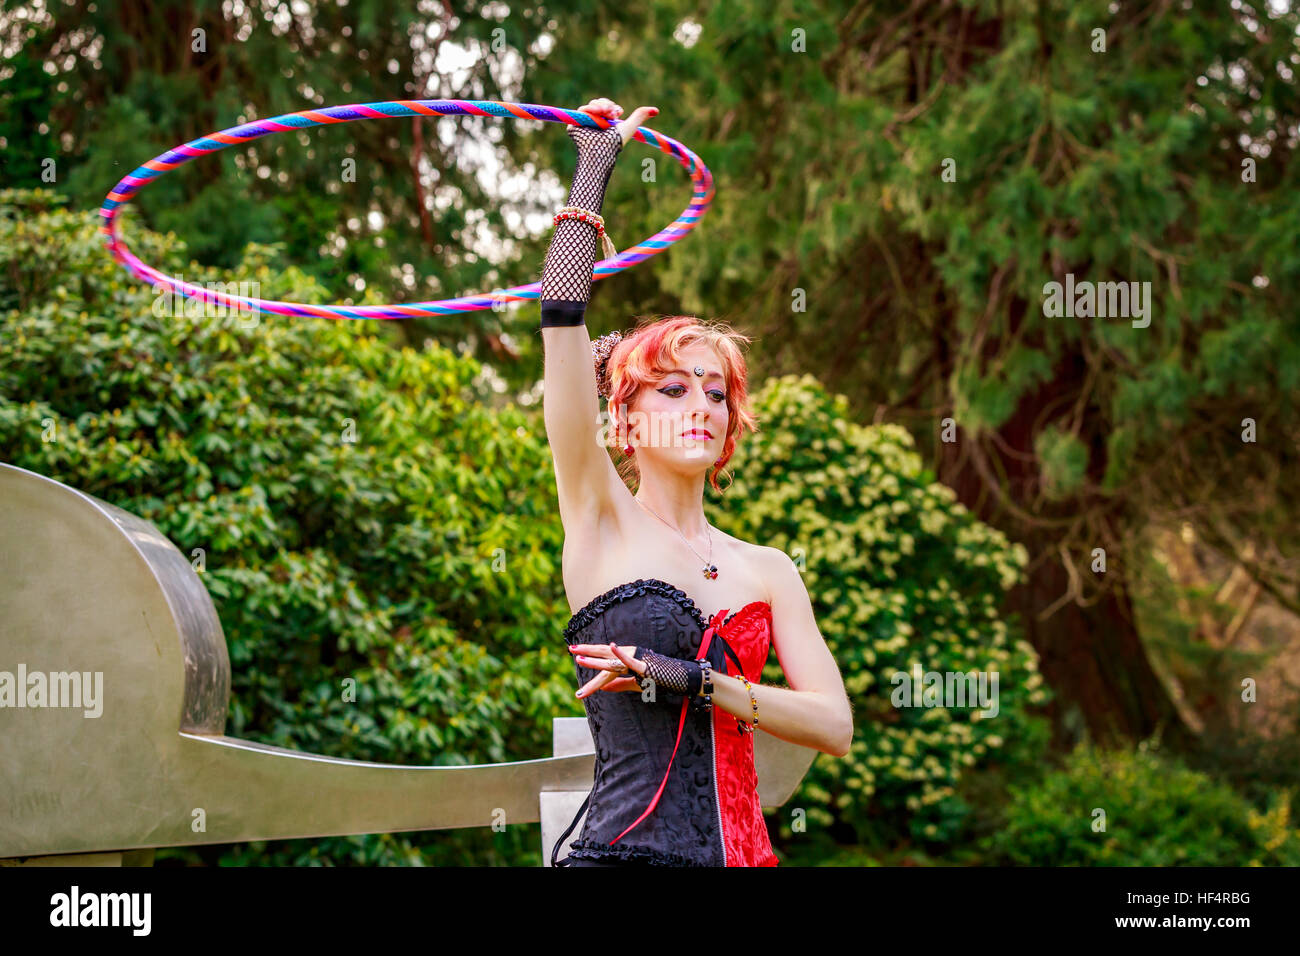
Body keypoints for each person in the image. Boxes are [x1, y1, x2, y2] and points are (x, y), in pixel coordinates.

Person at [540, 96, 853, 866]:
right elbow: (559, 317)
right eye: (673, 389)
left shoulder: (767, 569)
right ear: (625, 416)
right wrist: (593, 166)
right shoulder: (598, 515)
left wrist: (697, 682)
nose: (702, 407)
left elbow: (833, 726)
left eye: (715, 392)